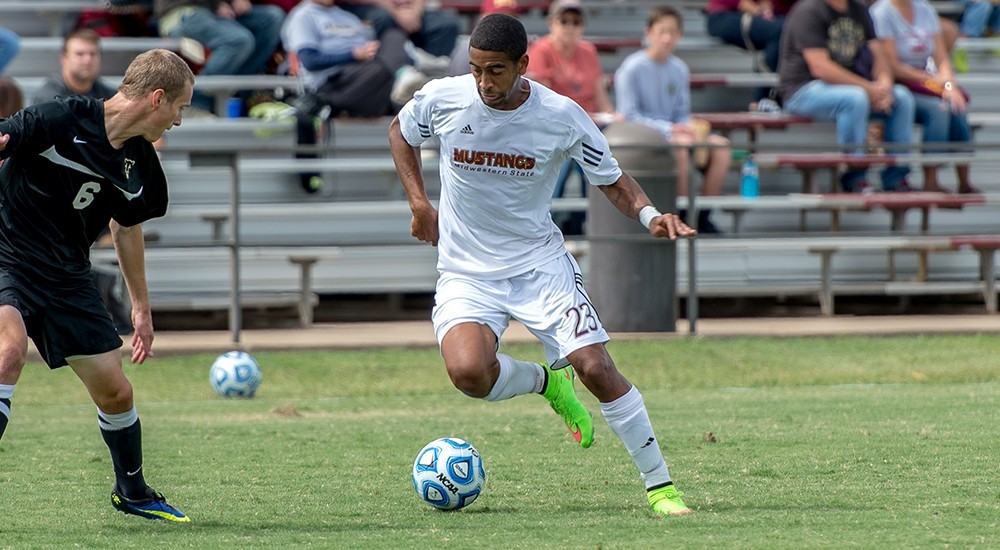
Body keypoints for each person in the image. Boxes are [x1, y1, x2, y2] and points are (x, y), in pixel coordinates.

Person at [389, 13, 696, 517]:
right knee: (468, 372)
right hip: (467, 271)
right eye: (476, 70)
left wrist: (650, 216)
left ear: (523, 65)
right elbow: (400, 131)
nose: (484, 83)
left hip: (539, 266)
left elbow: (613, 180)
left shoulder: (560, 115)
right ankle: (545, 382)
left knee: (595, 366)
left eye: (496, 71)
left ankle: (661, 487)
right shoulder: (446, 98)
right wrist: (420, 204)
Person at [0, 48, 194, 523]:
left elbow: (126, 229)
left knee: (117, 393)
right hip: (7, 254)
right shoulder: (58, 118)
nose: (178, 122)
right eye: (180, 108)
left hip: (66, 275)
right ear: (156, 98)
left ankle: (132, 492)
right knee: (8, 350)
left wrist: (141, 308)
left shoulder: (142, 169)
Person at [282, 0, 430, 193]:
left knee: (393, 36)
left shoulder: (346, 15)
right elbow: (309, 61)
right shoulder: (303, 15)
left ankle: (406, 73)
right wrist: (353, 54)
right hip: (332, 85)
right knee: (386, 69)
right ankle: (407, 77)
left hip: (366, 80)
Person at [778, 0, 915, 193]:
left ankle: (897, 177)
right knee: (855, 98)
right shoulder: (808, 10)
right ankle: (855, 176)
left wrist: (884, 86)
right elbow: (820, 67)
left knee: (902, 98)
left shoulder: (859, 10)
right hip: (802, 90)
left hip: (850, 86)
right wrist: (869, 89)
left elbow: (879, 56)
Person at [615, 6, 729, 234]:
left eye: (672, 32)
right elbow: (630, 116)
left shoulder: (679, 69)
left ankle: (704, 214)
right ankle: (681, 215)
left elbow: (681, 111)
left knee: (721, 148)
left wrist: (685, 127)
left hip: (675, 133)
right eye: (661, 31)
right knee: (681, 148)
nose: (667, 38)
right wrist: (670, 129)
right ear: (649, 33)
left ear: (680, 35)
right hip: (646, 136)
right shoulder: (631, 68)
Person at [526, 0, 623, 234]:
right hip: (555, 129)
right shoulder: (541, 50)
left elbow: (602, 99)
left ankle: (596, 221)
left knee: (615, 144)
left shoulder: (588, 51)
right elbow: (544, 102)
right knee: (576, 153)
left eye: (576, 22)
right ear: (551, 23)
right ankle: (554, 220)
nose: (570, 27)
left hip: (588, 126)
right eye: (564, 21)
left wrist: (614, 116)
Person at [871, 0, 978, 194]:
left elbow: (942, 59)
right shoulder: (881, 12)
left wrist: (948, 85)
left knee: (956, 105)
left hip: (928, 82)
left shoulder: (924, 10)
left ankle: (964, 180)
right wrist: (936, 80)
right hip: (899, 83)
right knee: (938, 109)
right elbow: (891, 65)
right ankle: (931, 178)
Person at [155, 0, 285, 113]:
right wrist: (217, 3)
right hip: (184, 9)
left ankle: (235, 92)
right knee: (238, 40)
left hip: (216, 10)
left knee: (273, 18)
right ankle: (195, 101)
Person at [705, 0, 794, 107]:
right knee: (781, 31)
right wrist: (758, 10)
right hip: (725, 15)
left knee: (790, 30)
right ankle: (761, 100)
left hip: (773, 17)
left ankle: (774, 97)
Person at [338, 0, 460, 58]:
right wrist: (396, 12)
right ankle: (396, 74)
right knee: (383, 19)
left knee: (446, 25)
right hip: (369, 7)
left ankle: (433, 79)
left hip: (408, 7)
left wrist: (414, 12)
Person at [449, 0, 525, 77]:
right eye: (496, 20)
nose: (503, 25)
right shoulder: (467, 50)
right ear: (482, 19)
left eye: (511, 19)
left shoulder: (525, 47)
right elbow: (462, 84)